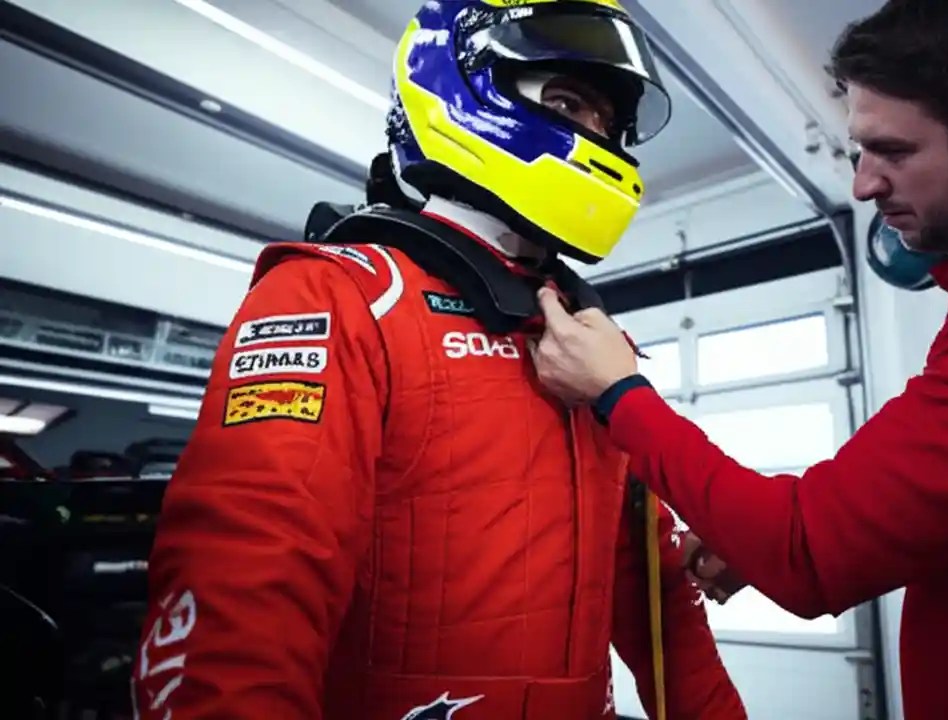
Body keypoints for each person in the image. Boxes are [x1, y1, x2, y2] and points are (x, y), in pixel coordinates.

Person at [528, 0, 948, 718]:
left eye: (892, 151)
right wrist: (751, 527)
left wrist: (619, 393)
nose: (862, 183)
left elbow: (807, 556)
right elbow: (915, 507)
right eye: (861, 152)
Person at [130, 2, 747, 719]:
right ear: (463, 87)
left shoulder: (597, 344)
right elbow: (242, 600)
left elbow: (659, 601)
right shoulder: (341, 294)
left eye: (607, 122)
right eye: (568, 103)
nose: (595, 136)